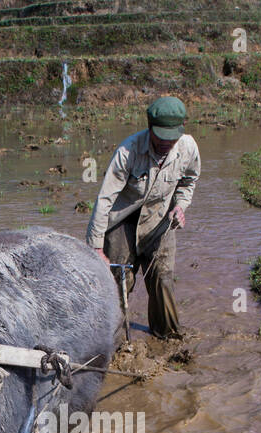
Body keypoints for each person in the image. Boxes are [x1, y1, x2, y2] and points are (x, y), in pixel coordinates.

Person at [86, 95, 200, 340]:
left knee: (163, 279)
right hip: (123, 220)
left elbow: (189, 181)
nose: (166, 143)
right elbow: (105, 199)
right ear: (150, 129)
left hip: (161, 218)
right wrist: (96, 247)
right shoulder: (129, 150)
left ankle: (166, 337)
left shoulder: (188, 147)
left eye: (172, 139)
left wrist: (181, 206)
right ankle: (111, 340)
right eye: (160, 137)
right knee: (119, 281)